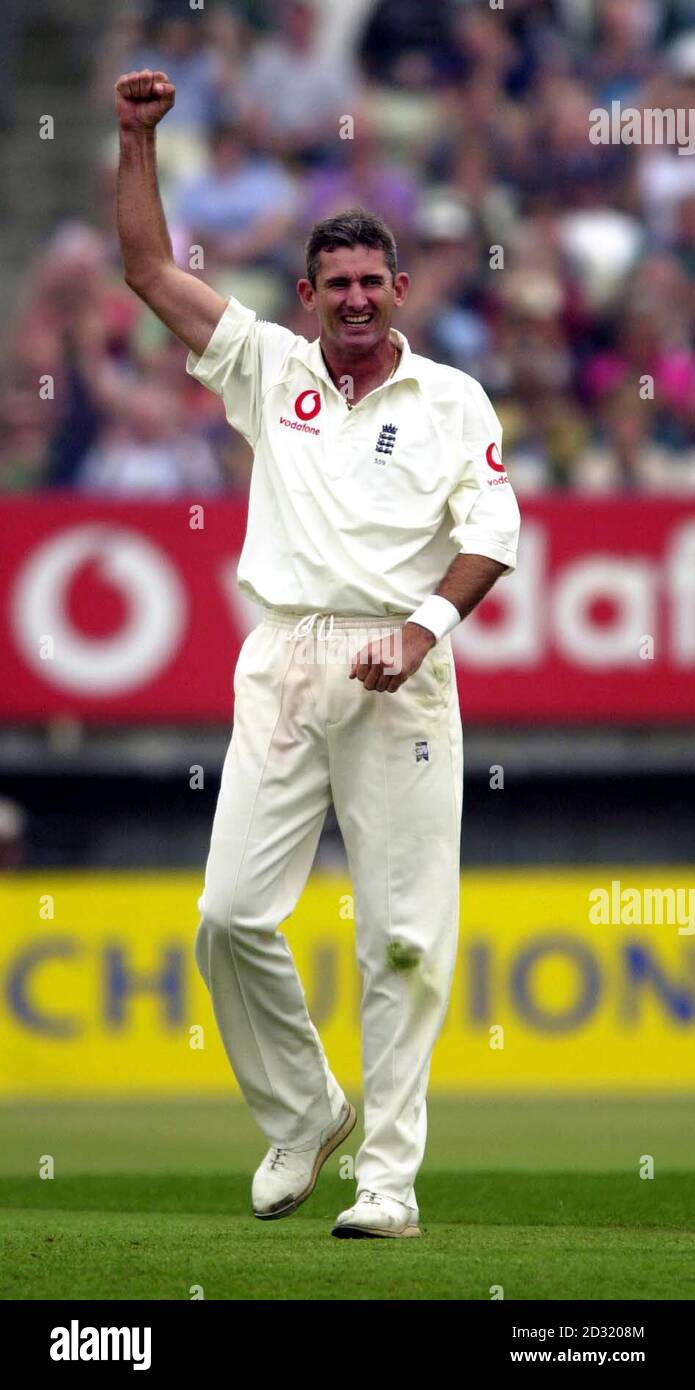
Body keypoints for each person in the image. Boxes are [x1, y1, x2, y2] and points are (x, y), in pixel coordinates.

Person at [115, 69, 520, 1239]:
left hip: (406, 674)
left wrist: (420, 630)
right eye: (331, 283)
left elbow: (491, 538)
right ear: (306, 294)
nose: (351, 299)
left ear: (398, 290)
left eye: (368, 282)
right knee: (228, 913)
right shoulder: (268, 368)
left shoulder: (452, 399)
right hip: (287, 660)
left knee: (399, 934)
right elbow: (147, 271)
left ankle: (386, 1180)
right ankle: (304, 1112)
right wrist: (134, 138)